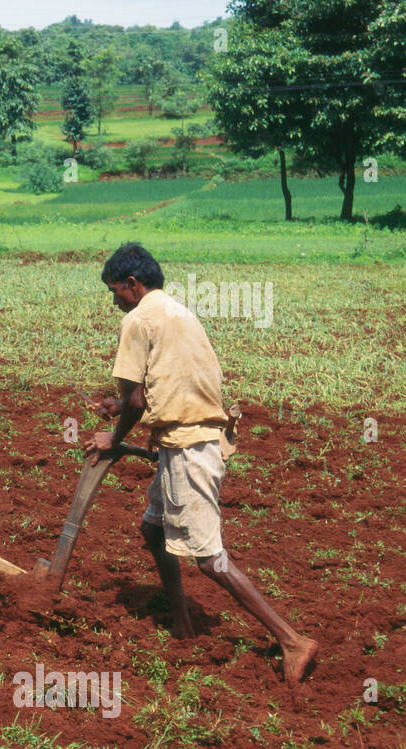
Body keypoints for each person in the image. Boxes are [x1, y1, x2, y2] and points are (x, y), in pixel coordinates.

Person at [83, 242, 318, 683]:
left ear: (132, 284)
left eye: (115, 291)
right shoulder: (179, 313)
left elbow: (137, 399)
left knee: (210, 559)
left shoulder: (137, 320)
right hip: (198, 436)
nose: (114, 302)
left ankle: (291, 640)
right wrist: (121, 407)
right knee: (154, 530)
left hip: (188, 448)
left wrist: (114, 438)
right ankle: (182, 624)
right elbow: (163, 388)